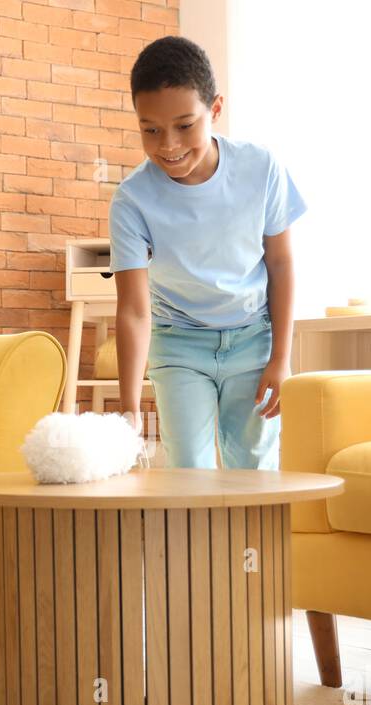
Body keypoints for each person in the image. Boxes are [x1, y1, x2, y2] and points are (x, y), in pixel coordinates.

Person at [108, 35, 307, 470]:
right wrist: (128, 405)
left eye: (185, 125)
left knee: (253, 463)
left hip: (253, 339)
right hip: (179, 344)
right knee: (188, 470)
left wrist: (281, 359)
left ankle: (253, 543)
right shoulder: (132, 200)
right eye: (150, 130)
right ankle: (194, 543)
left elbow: (280, 262)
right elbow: (135, 311)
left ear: (215, 110)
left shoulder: (261, 168)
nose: (168, 145)